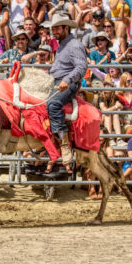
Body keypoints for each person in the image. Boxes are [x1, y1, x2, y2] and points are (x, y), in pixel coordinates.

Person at [46, 13, 87, 166]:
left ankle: (64, 144)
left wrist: (67, 80)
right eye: (53, 29)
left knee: (53, 104)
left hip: (68, 83)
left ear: (66, 28)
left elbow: (82, 67)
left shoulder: (74, 45)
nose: (55, 31)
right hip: (58, 81)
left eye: (57, 28)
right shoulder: (62, 44)